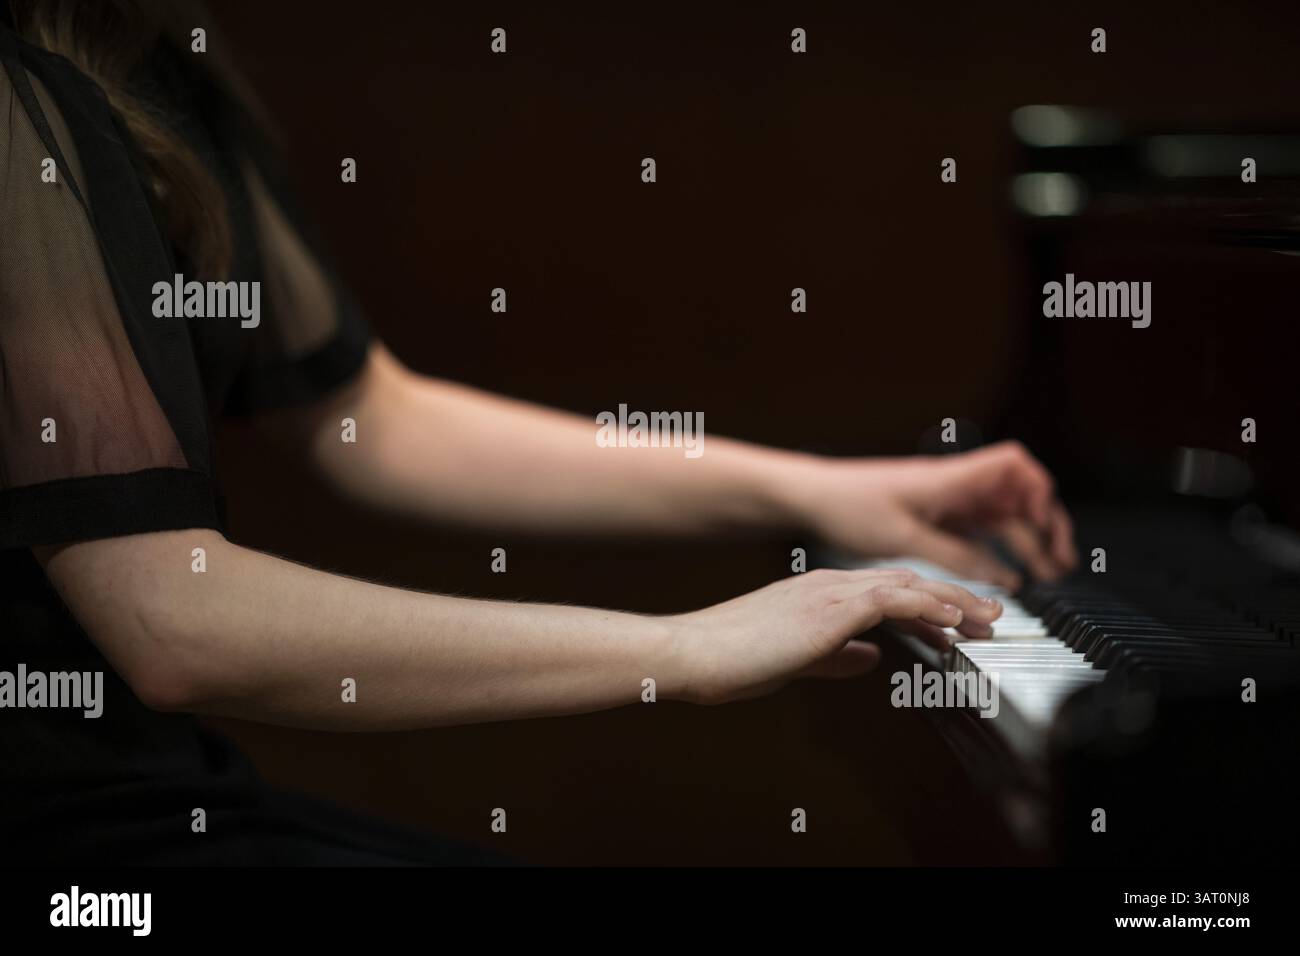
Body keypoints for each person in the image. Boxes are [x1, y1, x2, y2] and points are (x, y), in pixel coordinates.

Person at [0, 0, 1075, 864]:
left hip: (158, 788)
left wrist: (823, 490)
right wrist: (683, 645)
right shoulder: (14, 96)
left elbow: (369, 418)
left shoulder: (149, 54)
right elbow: (171, 618)